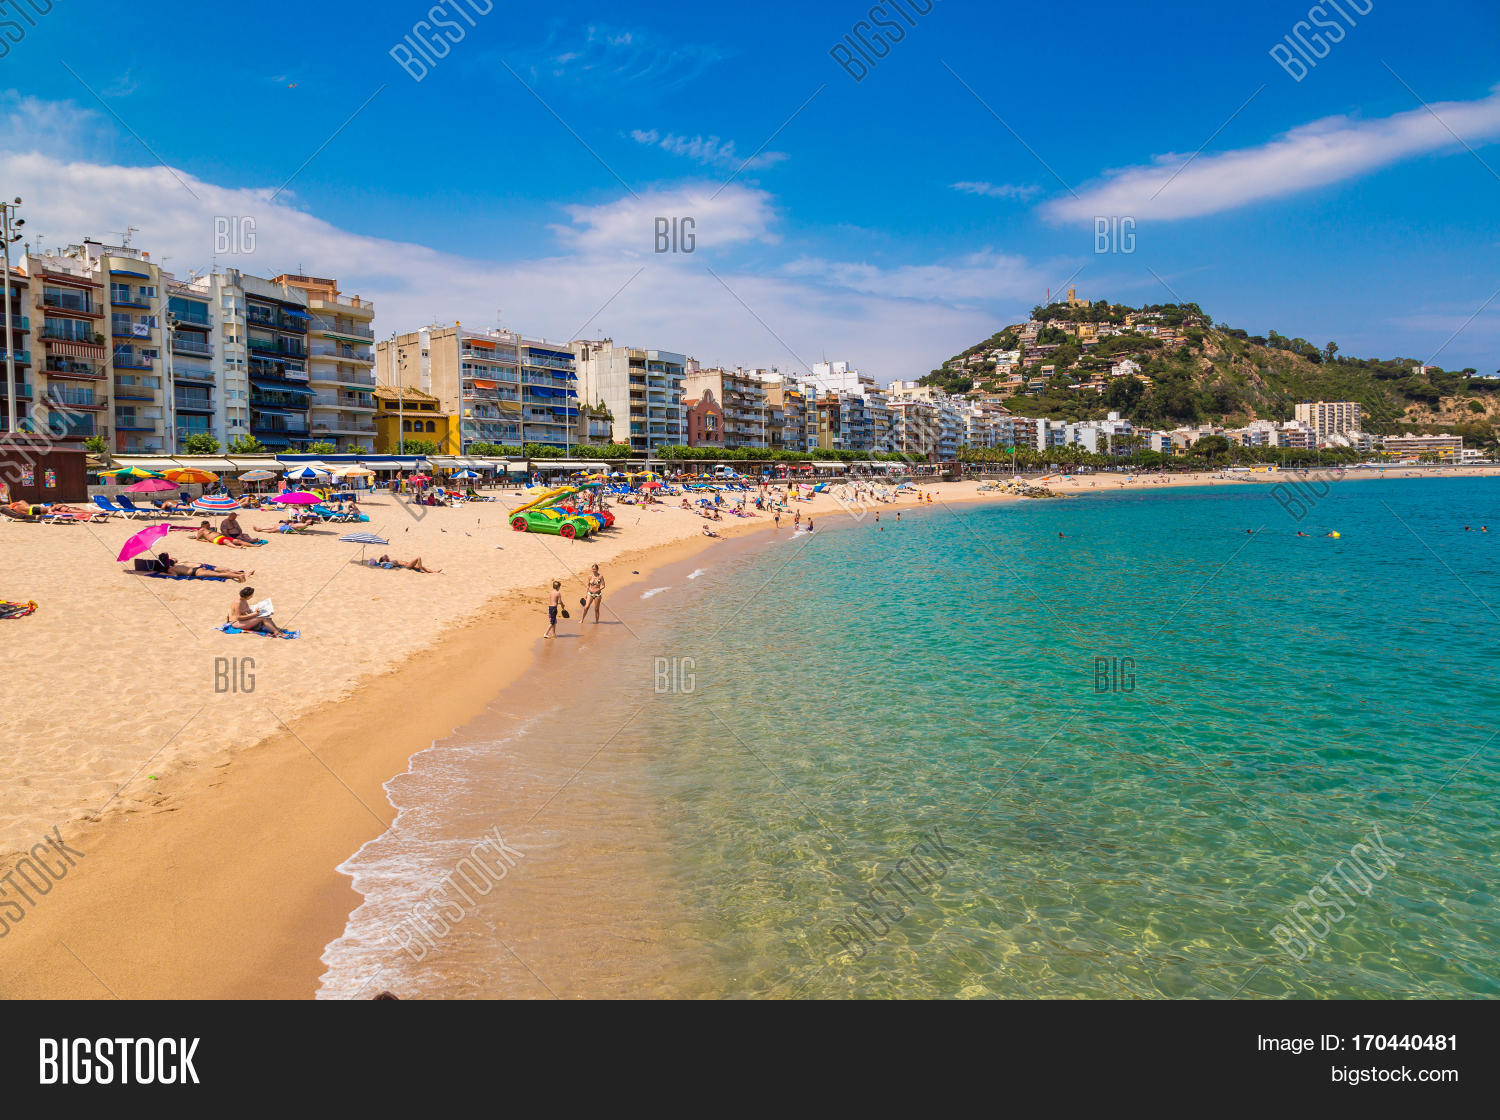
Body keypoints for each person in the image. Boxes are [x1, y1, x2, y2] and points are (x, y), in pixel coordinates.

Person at [153, 551, 250, 582]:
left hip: (195, 572)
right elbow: (174, 559)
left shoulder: (171, 569)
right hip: (199, 567)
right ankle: (241, 573)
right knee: (221, 571)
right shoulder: (179, 563)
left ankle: (238, 576)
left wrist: (162, 573)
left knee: (219, 575)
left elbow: (174, 576)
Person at [194, 520, 259, 548]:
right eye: (208, 525)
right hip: (216, 540)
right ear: (204, 525)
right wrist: (206, 540)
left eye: (209, 524)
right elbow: (198, 539)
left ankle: (254, 545)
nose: (209, 525)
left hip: (222, 536)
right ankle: (236, 547)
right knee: (226, 541)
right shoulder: (201, 530)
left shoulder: (210, 529)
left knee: (237, 540)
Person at [367, 554, 441, 573]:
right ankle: (421, 570)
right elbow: (384, 566)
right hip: (407, 566)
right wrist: (378, 564)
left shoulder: (389, 562)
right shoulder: (387, 563)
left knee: (422, 566)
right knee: (418, 558)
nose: (388, 557)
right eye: (386, 557)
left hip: (408, 564)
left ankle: (435, 571)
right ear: (385, 560)